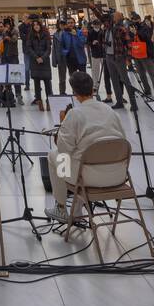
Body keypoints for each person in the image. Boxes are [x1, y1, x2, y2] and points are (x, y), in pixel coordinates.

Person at [46, 71, 127, 222]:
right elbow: (123, 141)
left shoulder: (75, 114)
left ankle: (61, 207)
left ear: (75, 93)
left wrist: (63, 124)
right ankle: (76, 211)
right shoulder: (110, 111)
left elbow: (64, 148)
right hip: (118, 175)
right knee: (84, 156)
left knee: (55, 155)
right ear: (92, 89)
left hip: (87, 179)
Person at [103, 10, 138, 111]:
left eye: (113, 16)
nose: (111, 17)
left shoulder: (121, 29)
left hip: (119, 57)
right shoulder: (108, 27)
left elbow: (129, 44)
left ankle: (133, 103)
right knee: (114, 80)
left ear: (118, 18)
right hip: (109, 56)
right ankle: (119, 101)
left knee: (125, 79)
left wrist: (128, 58)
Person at [128, 13, 154, 99]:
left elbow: (147, 38)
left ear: (139, 20)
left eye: (135, 20)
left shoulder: (144, 27)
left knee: (152, 74)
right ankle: (147, 91)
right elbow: (130, 39)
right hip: (136, 54)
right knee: (141, 74)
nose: (134, 22)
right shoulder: (132, 29)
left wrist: (137, 33)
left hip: (146, 54)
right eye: (132, 20)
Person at [28, 18, 52, 110]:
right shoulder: (30, 36)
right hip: (35, 62)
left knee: (47, 83)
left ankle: (49, 101)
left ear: (40, 25)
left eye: (37, 24)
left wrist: (43, 57)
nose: (36, 26)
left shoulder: (45, 35)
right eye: (34, 25)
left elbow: (48, 48)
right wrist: (36, 57)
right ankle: (39, 101)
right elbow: (29, 48)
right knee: (36, 83)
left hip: (45, 61)